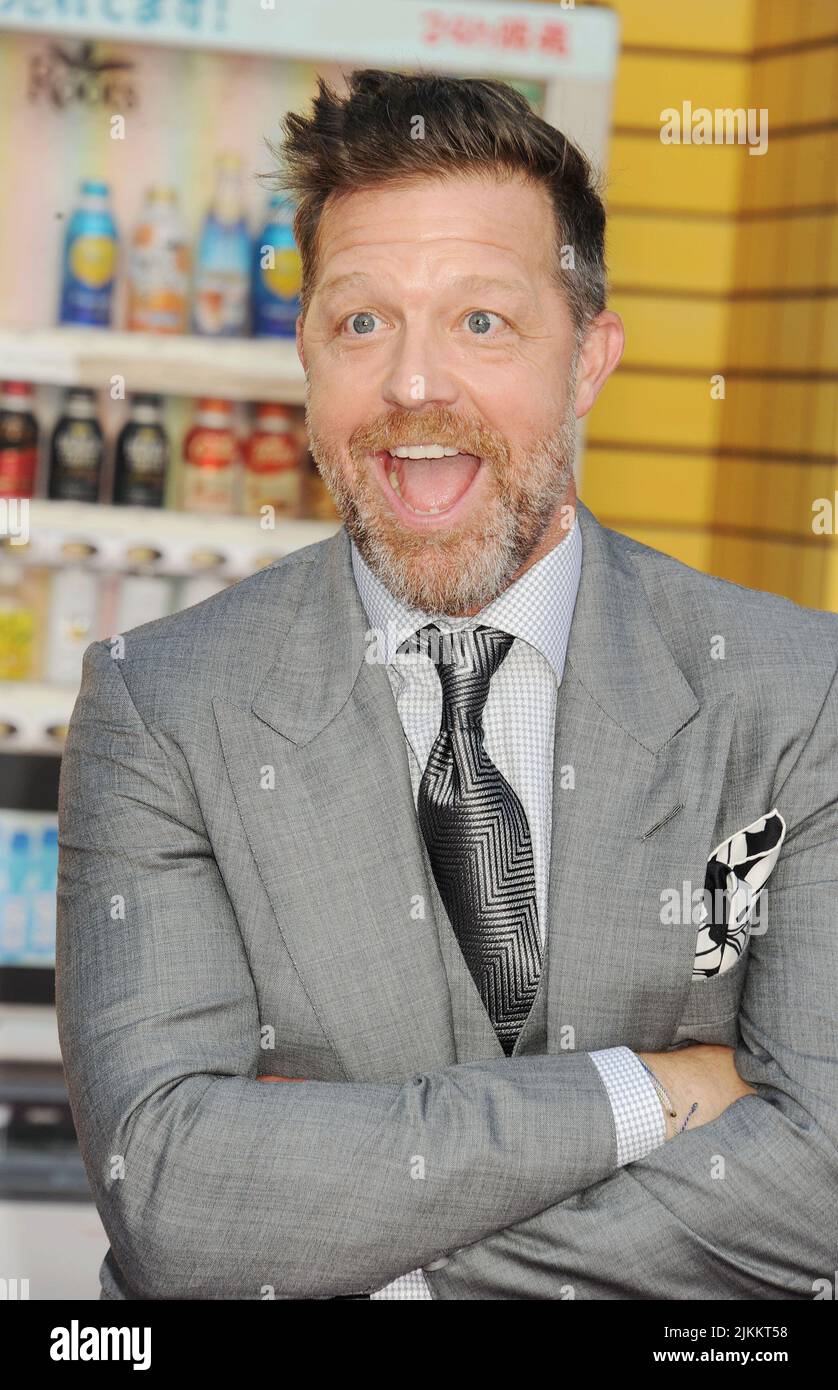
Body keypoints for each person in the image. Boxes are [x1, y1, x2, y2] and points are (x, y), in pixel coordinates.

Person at [57, 69, 837, 1301]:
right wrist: (655, 1087)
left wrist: (399, 1280)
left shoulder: (799, 693)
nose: (415, 385)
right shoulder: (161, 701)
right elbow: (175, 1196)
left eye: (483, 322)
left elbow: (823, 1174)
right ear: (305, 352)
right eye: (362, 323)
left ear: (587, 359)